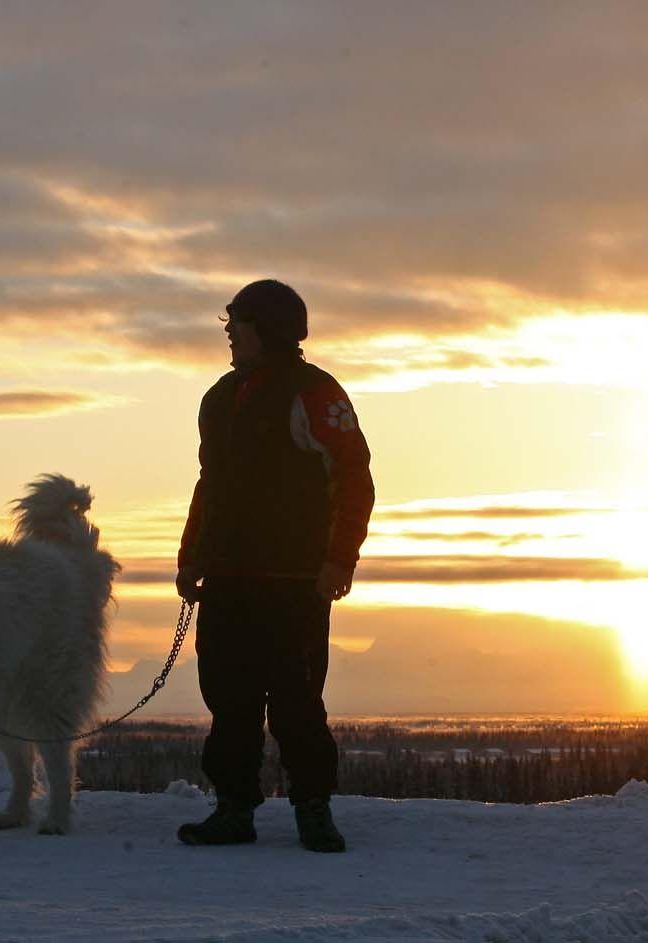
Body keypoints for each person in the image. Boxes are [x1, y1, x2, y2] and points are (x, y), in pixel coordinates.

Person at [174, 278, 375, 853]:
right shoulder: (218, 398)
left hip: (296, 583)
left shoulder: (317, 394)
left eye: (238, 324)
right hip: (229, 580)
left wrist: (339, 559)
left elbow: (355, 480)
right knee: (229, 703)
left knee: (297, 704)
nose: (231, 334)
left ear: (268, 329)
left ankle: (314, 809)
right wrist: (191, 558)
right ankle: (234, 809)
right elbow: (208, 487)